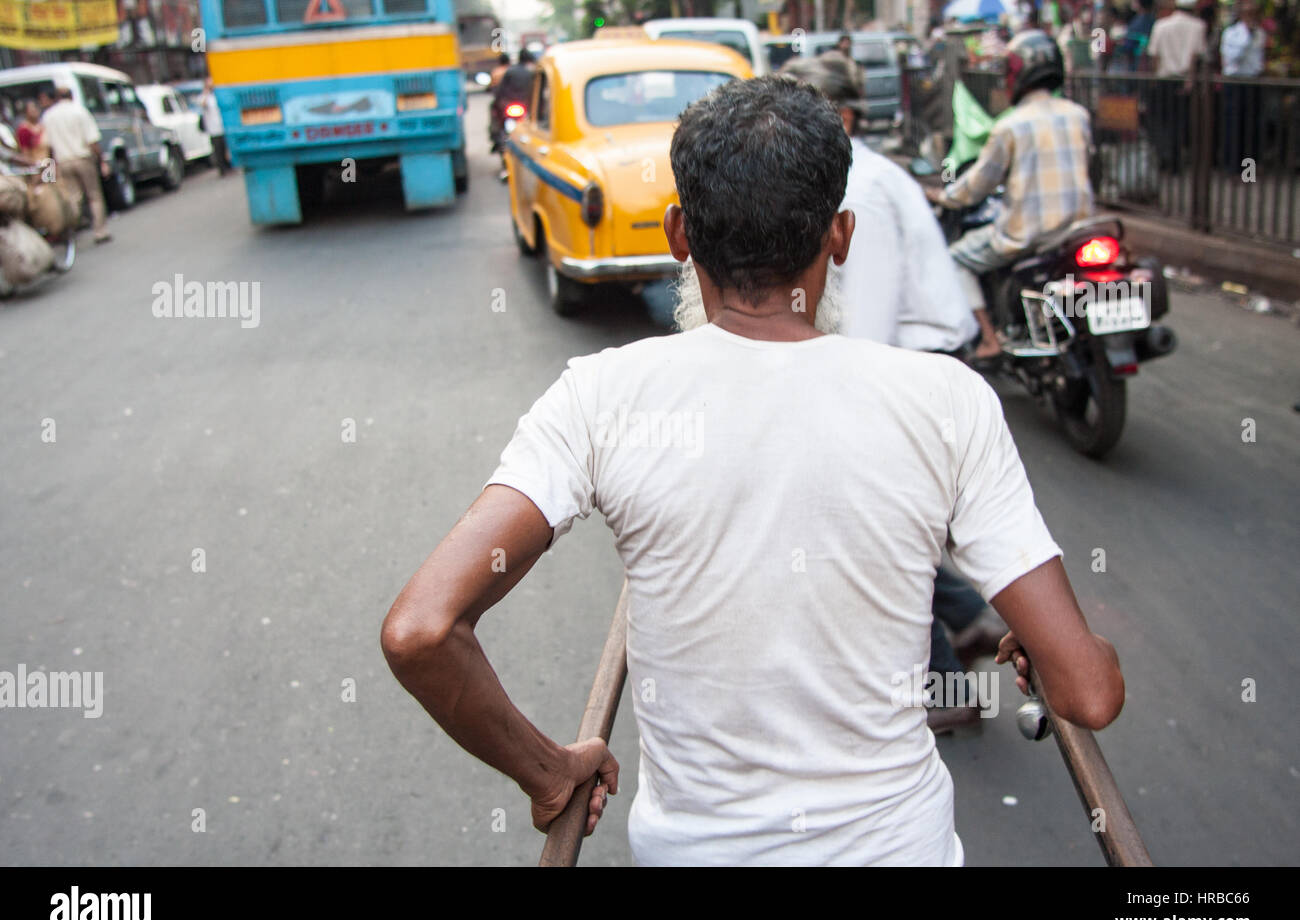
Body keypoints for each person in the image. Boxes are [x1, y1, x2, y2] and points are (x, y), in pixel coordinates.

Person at [381, 74, 1125, 865]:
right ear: (840, 236)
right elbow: (1089, 692)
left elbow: (420, 632)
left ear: (677, 234)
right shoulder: (946, 400)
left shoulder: (598, 397)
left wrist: (547, 774)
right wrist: (1057, 650)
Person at [780, 53, 1006, 732]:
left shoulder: (862, 190)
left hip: (914, 368)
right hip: (917, 363)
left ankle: (947, 689)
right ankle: (967, 618)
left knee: (877, 531)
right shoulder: (854, 179)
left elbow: (866, 328)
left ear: (844, 119)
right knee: (889, 524)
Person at [925, 31, 1093, 361]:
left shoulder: (1010, 126)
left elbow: (977, 186)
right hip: (1079, 231)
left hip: (1028, 234)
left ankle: (989, 338)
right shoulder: (1079, 115)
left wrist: (943, 196)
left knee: (953, 261)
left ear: (1016, 74)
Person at [40, 86, 111, 244]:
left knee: (73, 197)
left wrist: (51, 168)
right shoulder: (79, 111)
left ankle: (71, 231)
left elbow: (48, 147)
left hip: (63, 161)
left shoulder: (49, 116)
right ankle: (100, 232)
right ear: (71, 96)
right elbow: (92, 140)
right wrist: (101, 161)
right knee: (94, 197)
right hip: (83, 158)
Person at [1146, 0, 1206, 172]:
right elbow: (1195, 57)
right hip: (1184, 80)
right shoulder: (1198, 26)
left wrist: (1154, 79)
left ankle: (1165, 157)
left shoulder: (1161, 25)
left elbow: (1154, 56)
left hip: (1164, 79)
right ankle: (1174, 159)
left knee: (1163, 121)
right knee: (1179, 122)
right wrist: (1191, 80)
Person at [1220, 0, 1266, 170]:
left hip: (1252, 81)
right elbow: (1233, 57)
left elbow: (1258, 58)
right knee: (1234, 125)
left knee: (1251, 127)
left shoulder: (1259, 33)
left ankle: (1250, 171)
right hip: (1235, 82)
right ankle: (1232, 168)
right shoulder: (1231, 33)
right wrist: (1247, 34)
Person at [490, 49, 536, 179]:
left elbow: (500, 91)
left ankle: (495, 136)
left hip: (513, 107)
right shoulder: (530, 73)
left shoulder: (509, 72)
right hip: (521, 107)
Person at [200, 77, 230, 176]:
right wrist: (206, 92)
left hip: (222, 127)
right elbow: (202, 104)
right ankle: (222, 170)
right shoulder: (204, 97)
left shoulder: (216, 96)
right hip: (213, 129)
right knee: (218, 151)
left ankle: (229, 167)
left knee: (226, 148)